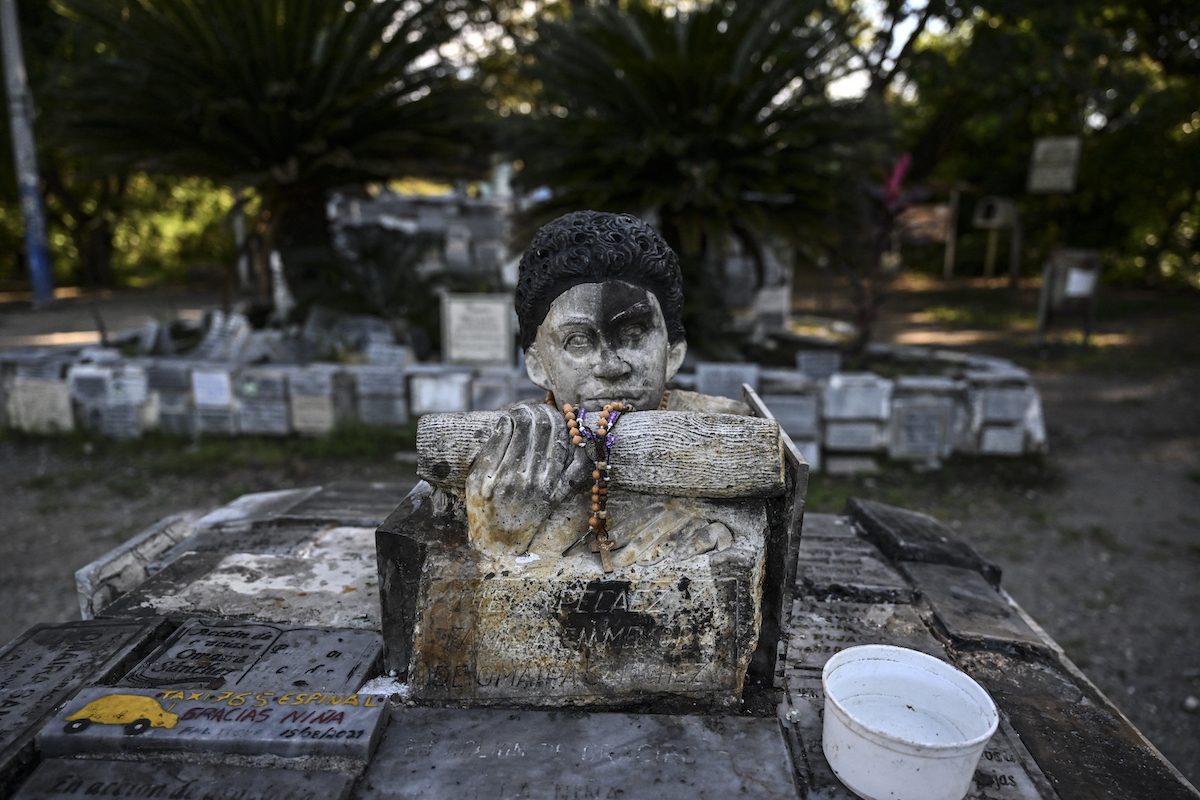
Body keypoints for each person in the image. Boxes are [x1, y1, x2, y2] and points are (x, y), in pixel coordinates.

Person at [465, 211, 752, 564]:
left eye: (633, 335)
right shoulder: (503, 454)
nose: (611, 366)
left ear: (673, 352)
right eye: (578, 341)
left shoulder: (732, 434)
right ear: (538, 365)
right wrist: (499, 535)